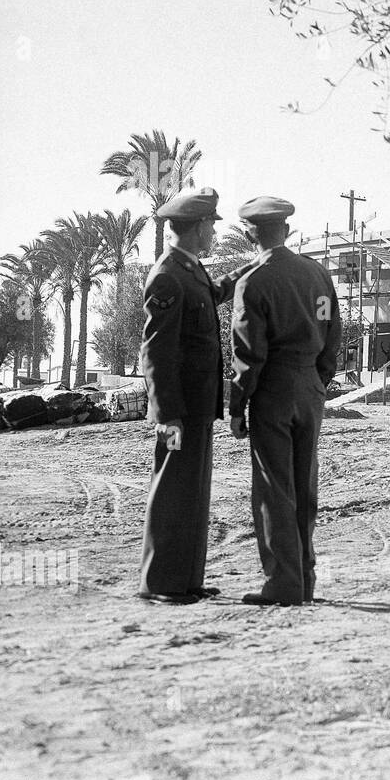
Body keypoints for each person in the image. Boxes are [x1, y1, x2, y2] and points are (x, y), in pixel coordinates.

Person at [138, 188, 251, 605]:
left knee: (193, 492)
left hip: (198, 409)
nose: (214, 232)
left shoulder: (190, 270)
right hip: (178, 412)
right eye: (210, 225)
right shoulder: (167, 275)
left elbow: (213, 293)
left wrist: (248, 270)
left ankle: (185, 580)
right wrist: (168, 414)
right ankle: (161, 583)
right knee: (171, 491)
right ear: (197, 226)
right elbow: (156, 351)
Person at [229, 197, 342, 606]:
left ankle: (283, 582)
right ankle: (305, 581)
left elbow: (247, 353)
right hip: (310, 388)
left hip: (272, 390)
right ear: (288, 232)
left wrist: (237, 404)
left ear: (248, 234)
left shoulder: (253, 282)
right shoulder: (317, 274)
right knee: (304, 484)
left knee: (275, 489)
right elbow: (333, 331)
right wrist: (319, 379)